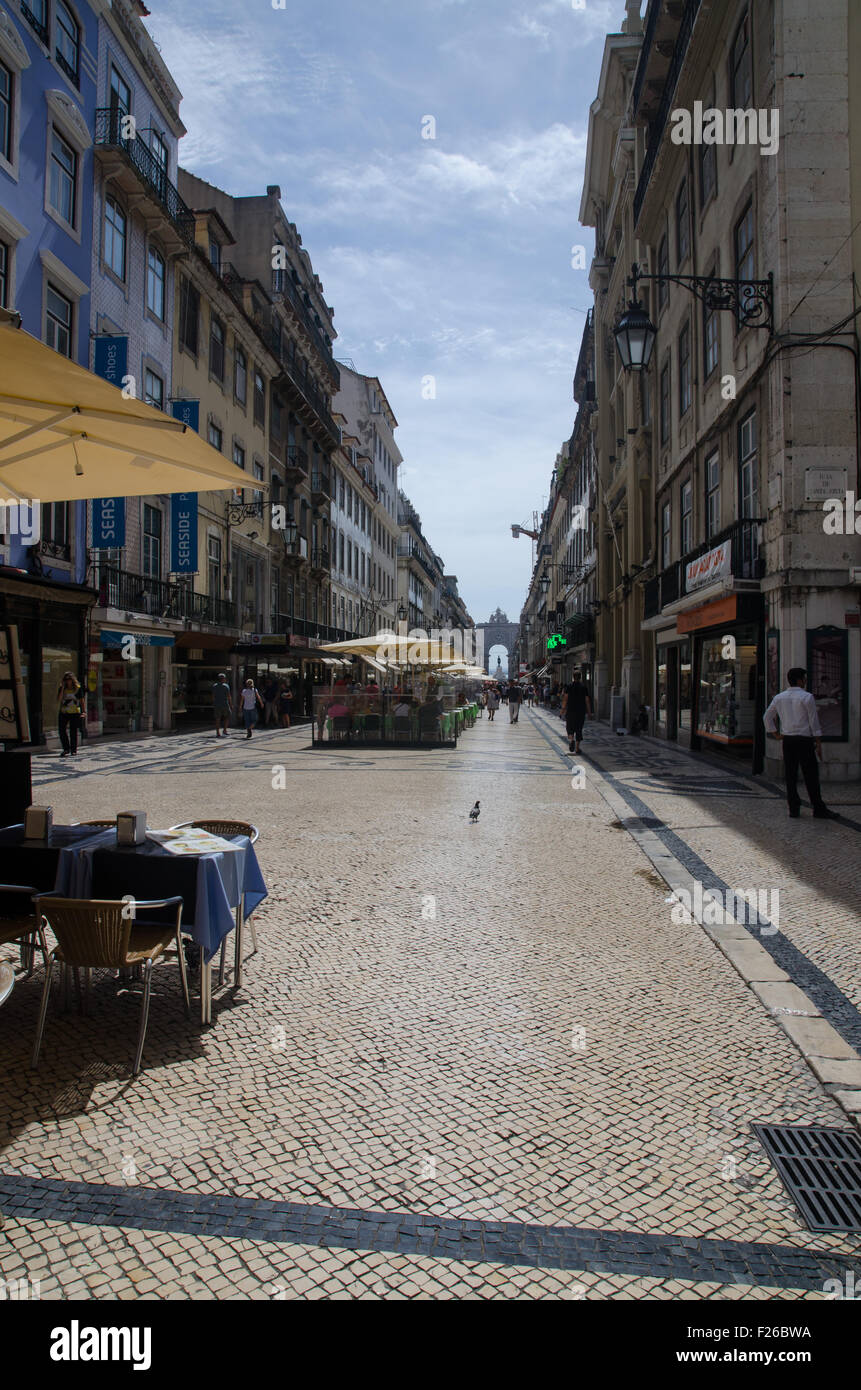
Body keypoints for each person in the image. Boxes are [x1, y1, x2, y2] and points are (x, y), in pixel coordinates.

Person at [763, 667, 838, 819]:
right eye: (804, 678)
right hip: (804, 740)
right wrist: (818, 743)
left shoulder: (779, 697)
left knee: (790, 774)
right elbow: (814, 722)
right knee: (810, 775)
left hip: (788, 740)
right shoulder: (807, 697)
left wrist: (776, 734)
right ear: (799, 680)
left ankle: (794, 809)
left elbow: (767, 717)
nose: (805, 681)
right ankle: (818, 808)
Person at [561, 671, 592, 753]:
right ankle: (577, 748)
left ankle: (571, 740)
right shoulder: (584, 687)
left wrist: (562, 711)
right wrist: (589, 712)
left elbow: (565, 699)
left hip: (570, 711)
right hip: (580, 712)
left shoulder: (569, 686)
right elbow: (587, 700)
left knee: (570, 727)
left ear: (573, 677)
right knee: (579, 729)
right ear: (580, 677)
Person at [57, 671, 84, 757]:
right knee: (62, 730)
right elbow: (59, 699)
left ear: (72, 680)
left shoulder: (77, 688)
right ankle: (66, 748)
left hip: (74, 712)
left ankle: (73, 750)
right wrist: (62, 688)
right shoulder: (62, 688)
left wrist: (83, 711)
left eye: (69, 679)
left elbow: (81, 700)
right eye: (66, 679)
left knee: (73, 731)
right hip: (64, 712)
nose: (67, 681)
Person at [212, 672, 233, 738]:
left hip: (217, 704)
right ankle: (224, 730)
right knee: (228, 716)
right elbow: (229, 696)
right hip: (225, 704)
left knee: (217, 718)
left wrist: (214, 703)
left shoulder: (214, 686)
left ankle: (218, 732)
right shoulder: (226, 686)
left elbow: (213, 696)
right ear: (223, 679)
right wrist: (231, 704)